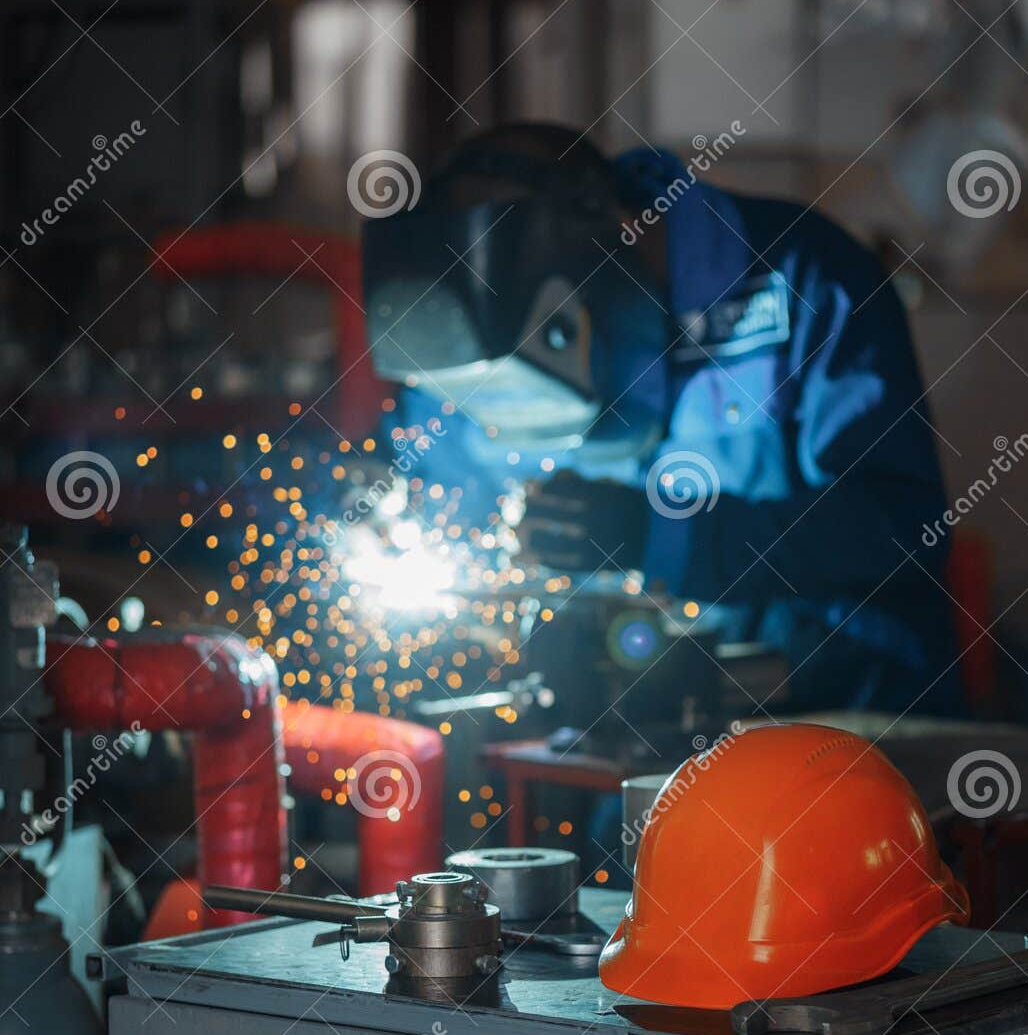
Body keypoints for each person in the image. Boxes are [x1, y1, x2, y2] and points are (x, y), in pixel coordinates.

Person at [361, 122, 964, 715]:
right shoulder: (468, 340)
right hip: (628, 729)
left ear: (614, 236)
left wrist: (657, 537)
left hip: (846, 726)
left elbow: (900, 529)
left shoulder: (802, 276)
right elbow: (443, 494)